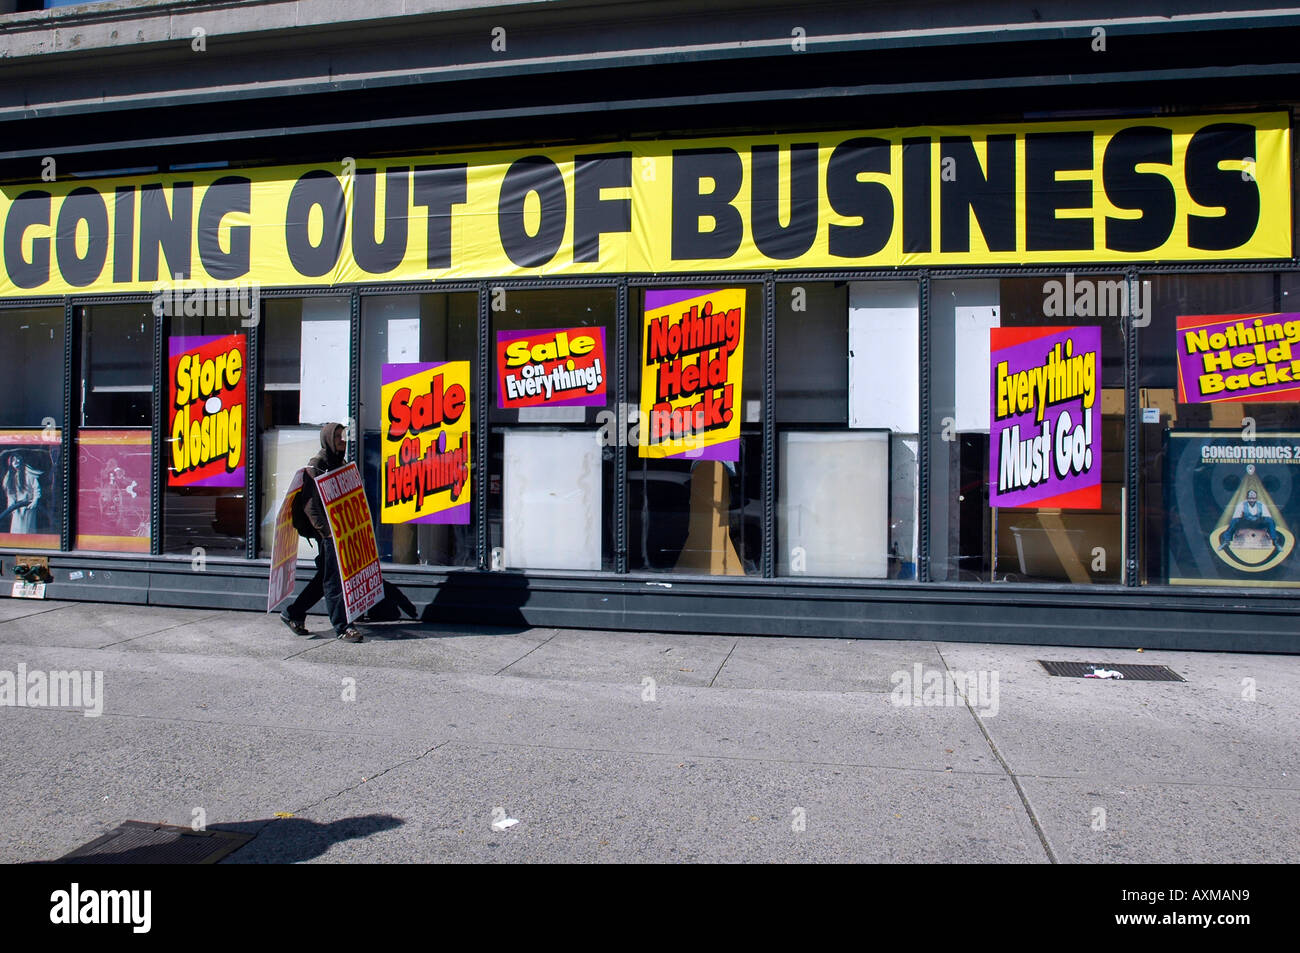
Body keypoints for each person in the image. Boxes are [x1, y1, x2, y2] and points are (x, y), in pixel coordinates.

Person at [279, 422, 364, 643]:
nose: (341, 440)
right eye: (337, 437)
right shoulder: (317, 465)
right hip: (329, 534)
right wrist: (326, 533)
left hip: (341, 531)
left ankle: (294, 612)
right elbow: (310, 505)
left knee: (325, 579)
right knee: (334, 581)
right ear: (327, 439)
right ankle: (343, 627)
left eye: (342, 436)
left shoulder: (340, 463)